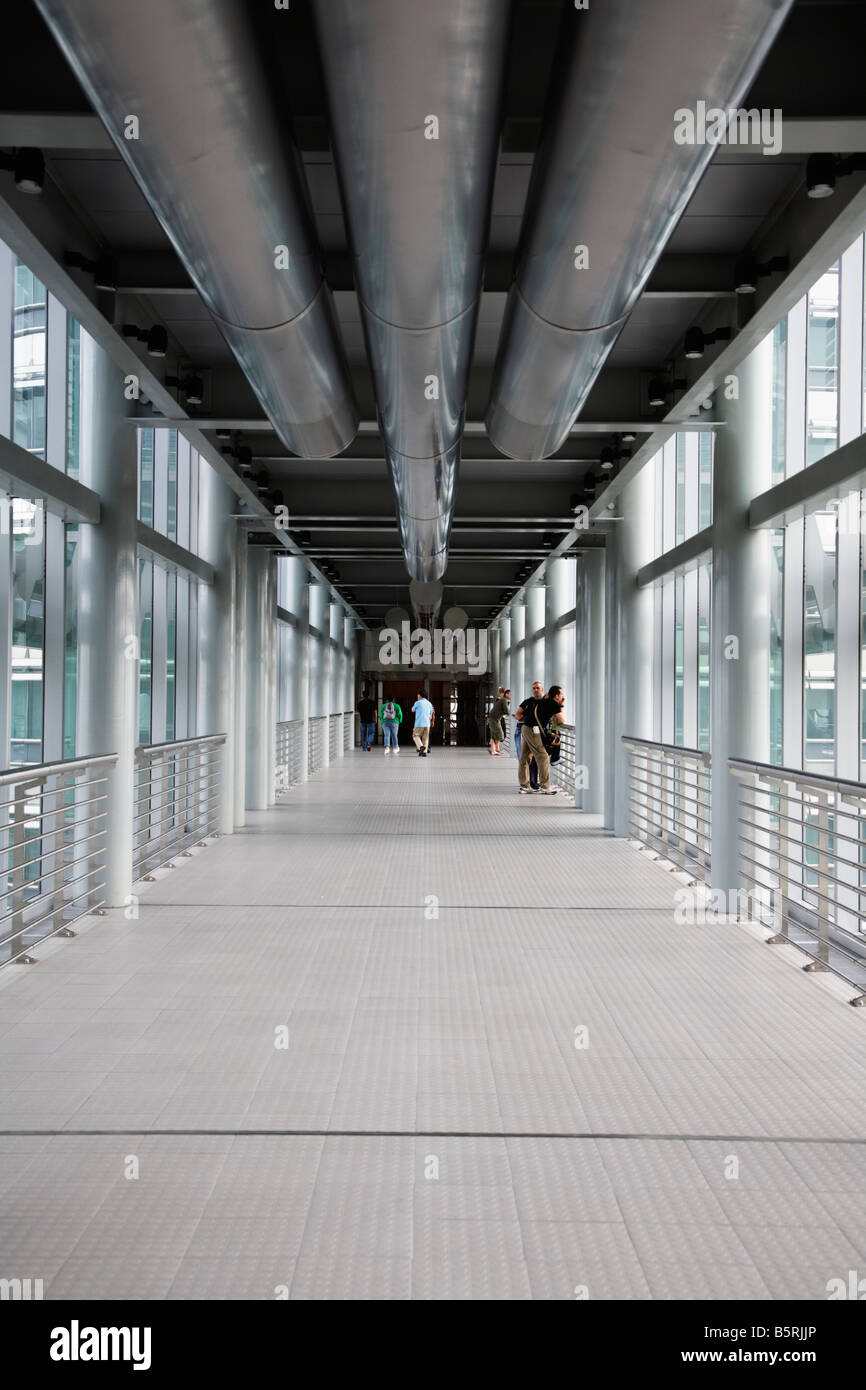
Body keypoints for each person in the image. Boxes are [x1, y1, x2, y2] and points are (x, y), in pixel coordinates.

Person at [515, 684, 566, 795]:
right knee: (543, 757)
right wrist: (561, 706)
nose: (563, 696)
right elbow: (561, 720)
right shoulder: (553, 703)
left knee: (525, 757)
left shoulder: (545, 701)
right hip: (533, 731)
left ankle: (524, 786)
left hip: (526, 728)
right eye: (561, 694)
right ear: (557, 695)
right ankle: (545, 786)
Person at [516, 680, 544, 789]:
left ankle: (535, 783)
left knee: (538, 759)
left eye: (538, 688)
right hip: (529, 732)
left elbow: (554, 718)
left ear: (542, 689)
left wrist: (554, 730)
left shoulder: (546, 703)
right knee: (526, 758)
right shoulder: (528, 702)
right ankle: (527, 783)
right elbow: (517, 714)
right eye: (534, 688)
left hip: (541, 734)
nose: (536, 690)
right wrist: (526, 722)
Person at [411, 690, 435, 756]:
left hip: (419, 723)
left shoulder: (417, 702)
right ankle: (424, 752)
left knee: (415, 736)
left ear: (419, 695)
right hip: (427, 724)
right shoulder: (429, 703)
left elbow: (412, 710)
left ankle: (421, 747)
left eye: (417, 695)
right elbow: (431, 714)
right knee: (426, 738)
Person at [487, 686, 510, 755]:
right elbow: (506, 710)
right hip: (498, 719)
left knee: (496, 735)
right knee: (499, 735)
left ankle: (495, 749)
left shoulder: (502, 700)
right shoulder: (502, 700)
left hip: (498, 718)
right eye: (503, 693)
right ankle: (494, 749)